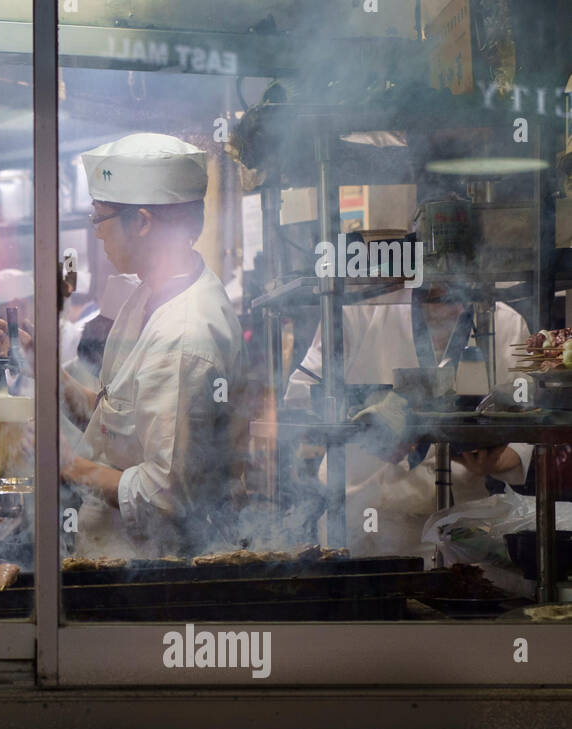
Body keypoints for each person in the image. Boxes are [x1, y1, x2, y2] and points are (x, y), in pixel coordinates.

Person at [56, 132, 246, 558]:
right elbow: (118, 417)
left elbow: (165, 495)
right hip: (118, 563)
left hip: (157, 580)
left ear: (142, 222)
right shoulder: (148, 296)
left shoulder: (184, 335)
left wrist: (71, 467)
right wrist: (48, 376)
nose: (98, 235)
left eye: (99, 220)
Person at [283, 288, 531, 559]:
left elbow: (531, 410)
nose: (457, 308)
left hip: (465, 522)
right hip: (366, 518)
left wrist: (512, 455)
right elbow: (299, 394)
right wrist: (365, 425)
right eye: (443, 294)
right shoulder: (360, 311)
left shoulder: (506, 322)